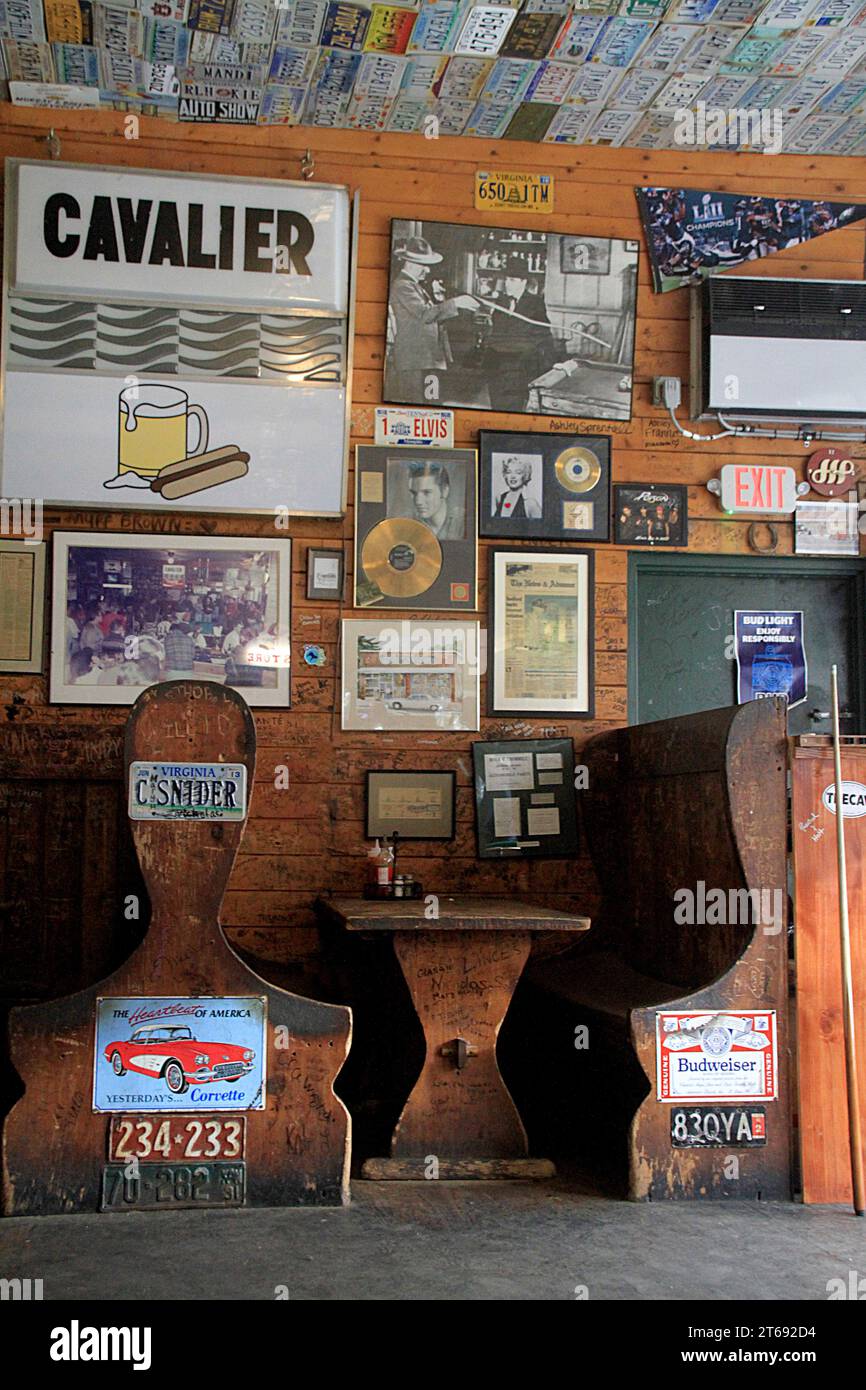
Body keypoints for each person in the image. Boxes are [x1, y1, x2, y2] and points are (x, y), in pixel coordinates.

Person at [387, 236, 478, 393]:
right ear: (409, 263)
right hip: (415, 361)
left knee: (430, 399)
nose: (428, 270)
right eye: (424, 265)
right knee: (420, 402)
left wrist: (442, 301)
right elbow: (425, 315)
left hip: (424, 360)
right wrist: (455, 303)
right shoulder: (402, 286)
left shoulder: (414, 286)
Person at [483, 255, 560, 412]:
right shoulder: (501, 302)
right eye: (506, 280)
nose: (506, 284)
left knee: (512, 410)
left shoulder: (535, 303)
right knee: (496, 408)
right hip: (497, 367)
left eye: (512, 280)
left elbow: (544, 335)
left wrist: (552, 365)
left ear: (523, 282)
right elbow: (497, 331)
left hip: (519, 369)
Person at [407, 461, 464, 541]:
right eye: (414, 493)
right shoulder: (409, 524)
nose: (418, 501)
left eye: (426, 492)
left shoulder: (463, 522)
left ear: (444, 491)